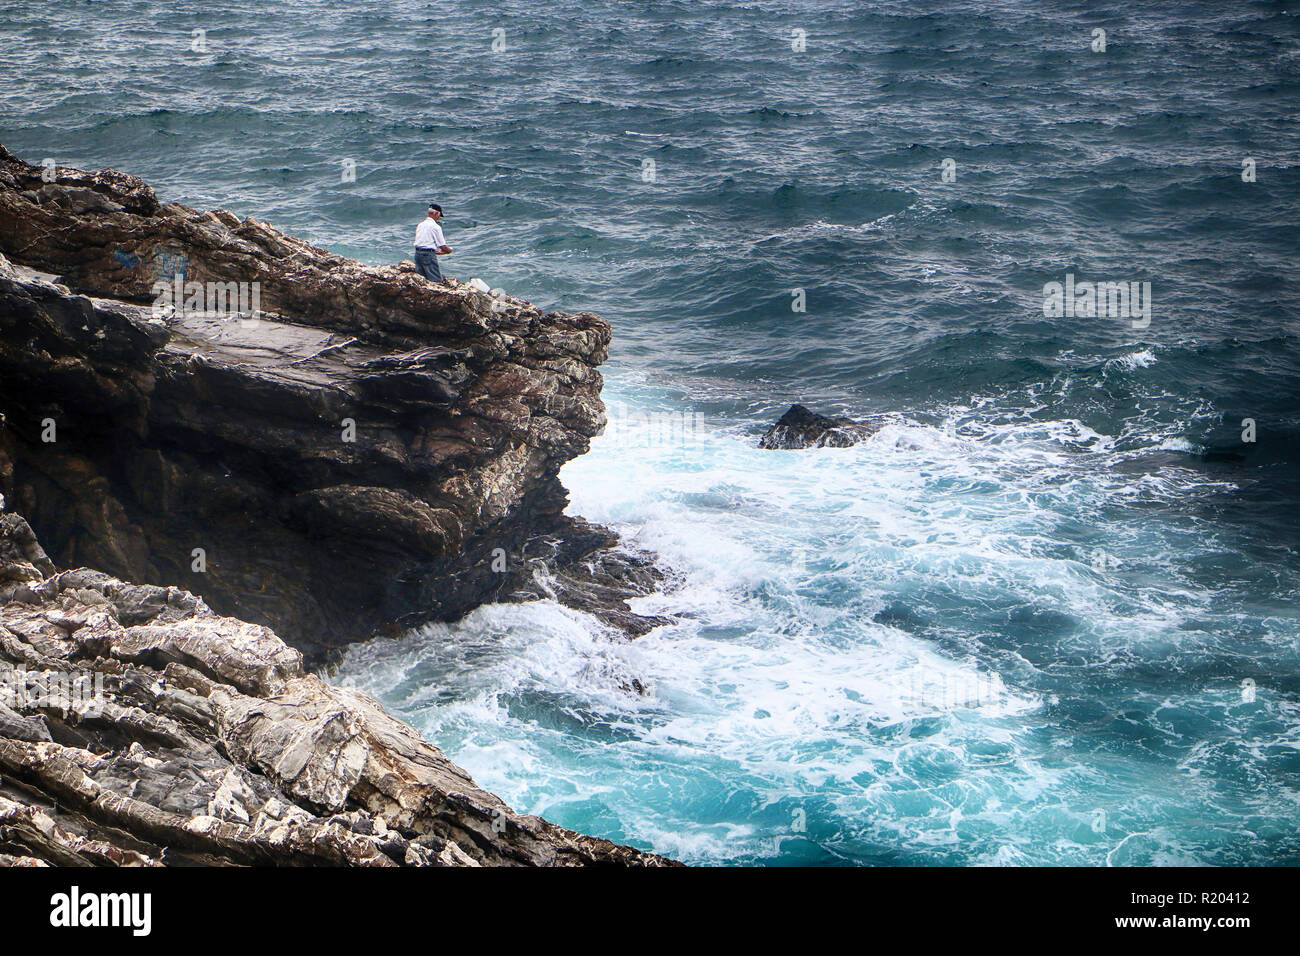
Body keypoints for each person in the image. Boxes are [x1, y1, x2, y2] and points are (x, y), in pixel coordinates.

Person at [413, 203, 452, 283]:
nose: (438, 218)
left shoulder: (420, 225)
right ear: (437, 213)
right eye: (439, 215)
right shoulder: (435, 227)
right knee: (436, 281)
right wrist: (449, 251)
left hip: (417, 254)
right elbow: (442, 246)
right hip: (428, 255)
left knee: (422, 281)